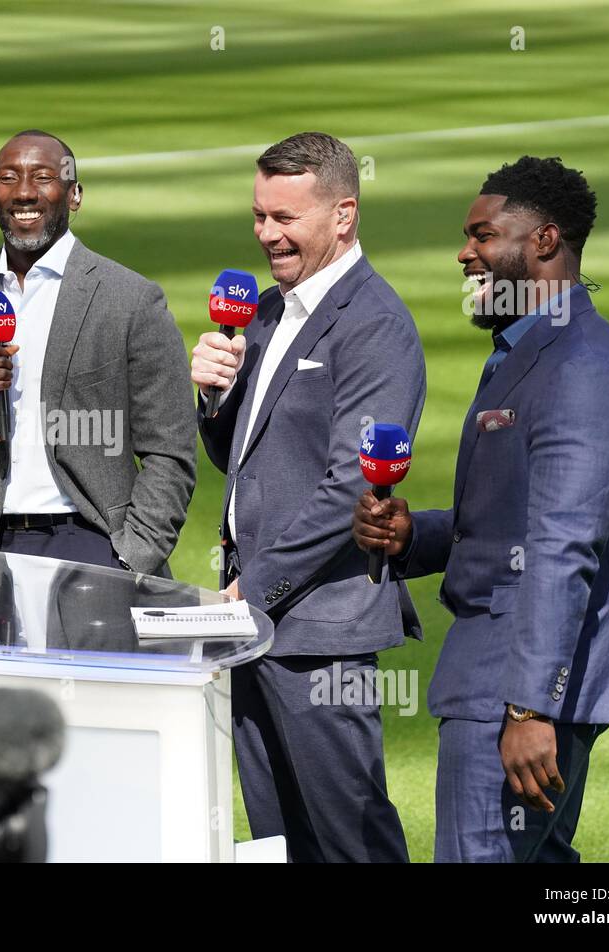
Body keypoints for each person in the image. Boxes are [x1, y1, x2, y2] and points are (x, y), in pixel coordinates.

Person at [352, 156, 609, 862]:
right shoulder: (527, 349)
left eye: (483, 235)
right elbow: (516, 523)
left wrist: (529, 707)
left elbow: (564, 544)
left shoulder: (580, 366)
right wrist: (412, 536)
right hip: (509, 673)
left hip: (515, 682)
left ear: (544, 242)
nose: (465, 253)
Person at [191, 132, 426, 861]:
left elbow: (351, 484)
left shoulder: (377, 326)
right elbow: (245, 459)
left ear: (343, 215)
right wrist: (213, 399)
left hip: (320, 636)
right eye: (259, 216)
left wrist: (252, 590)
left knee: (352, 842)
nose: (266, 234)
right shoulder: (263, 313)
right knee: (277, 841)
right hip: (257, 625)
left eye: (285, 218)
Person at [0, 130, 195, 575]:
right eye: (8, 179)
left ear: (74, 195)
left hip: (93, 545)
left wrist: (134, 555)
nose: (24, 192)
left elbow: (170, 449)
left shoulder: (131, 299)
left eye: (44, 177)